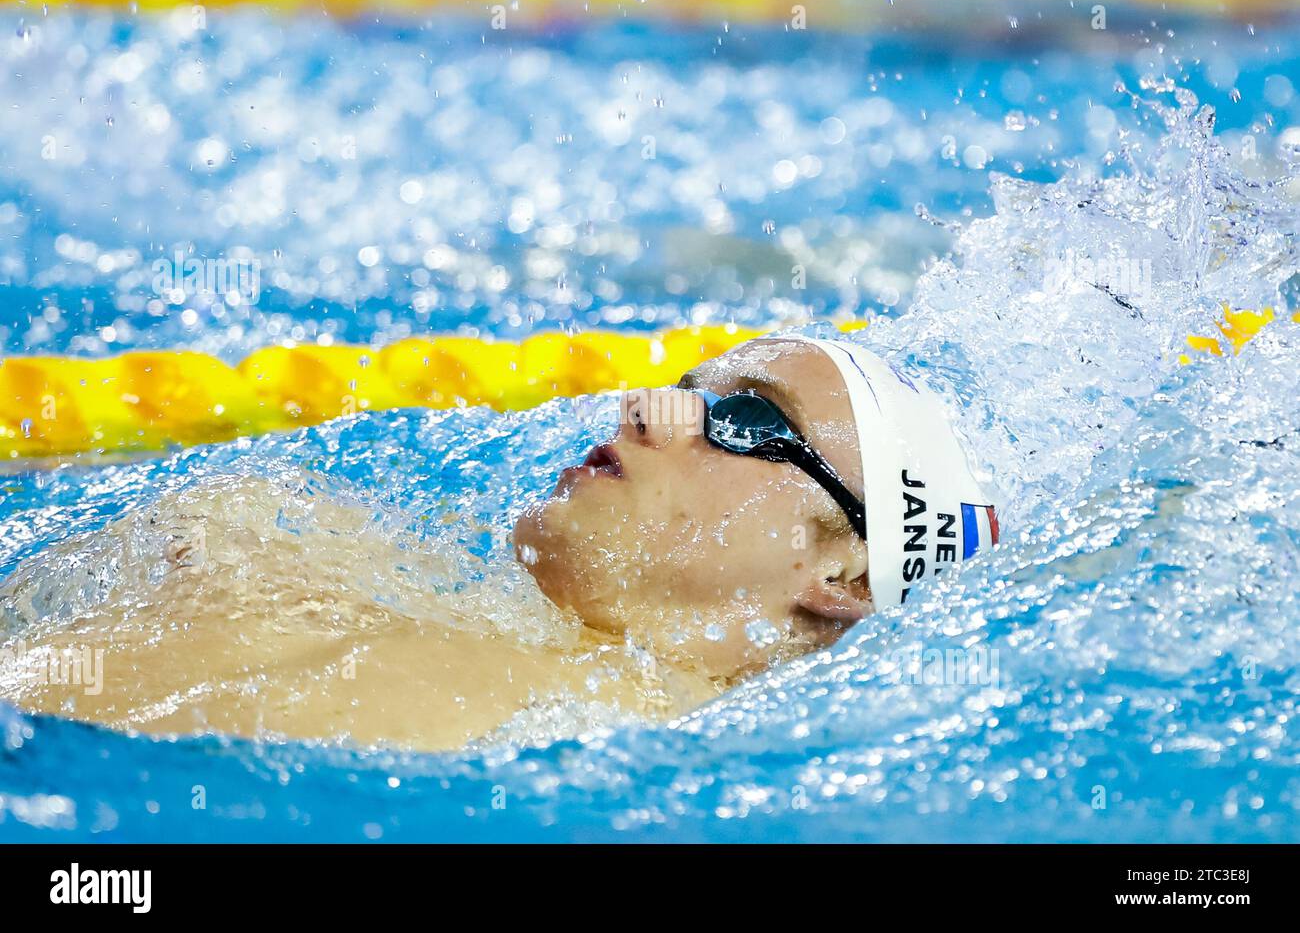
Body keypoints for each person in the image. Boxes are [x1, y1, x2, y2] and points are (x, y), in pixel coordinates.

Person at [0, 335, 997, 750]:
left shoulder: (583, 739)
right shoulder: (442, 600)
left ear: (843, 572)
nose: (646, 407)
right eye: (685, 389)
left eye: (740, 418)